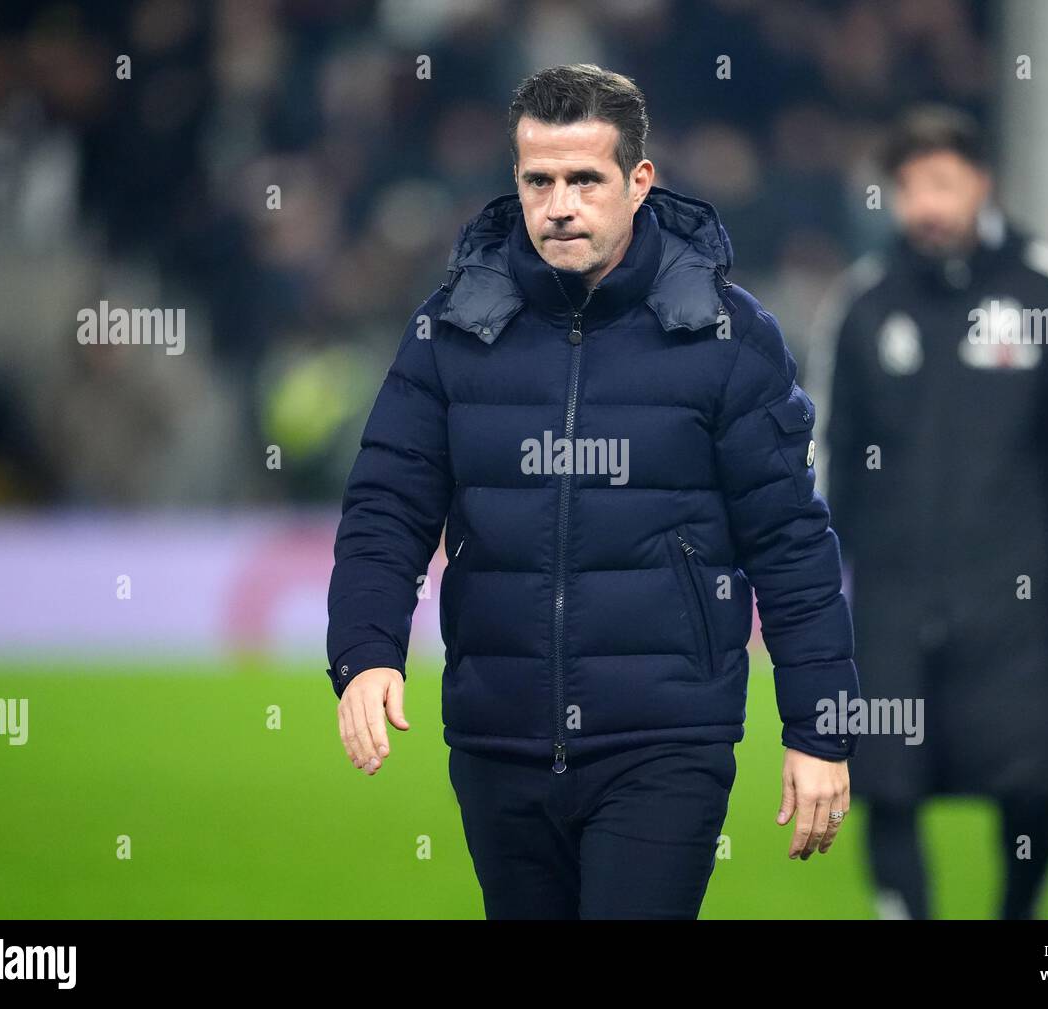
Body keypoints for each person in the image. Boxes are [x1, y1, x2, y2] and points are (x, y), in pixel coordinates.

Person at [325, 64, 860, 919]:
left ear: (639, 181)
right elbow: (387, 505)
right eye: (539, 181)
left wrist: (820, 728)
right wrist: (365, 649)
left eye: (584, 179)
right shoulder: (450, 328)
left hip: (666, 741)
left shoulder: (727, 334)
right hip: (498, 739)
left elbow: (791, 542)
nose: (560, 205)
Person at [805, 105, 1048, 920]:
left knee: (1033, 788)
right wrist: (812, 584)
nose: (925, 205)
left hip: (1015, 599)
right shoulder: (864, 302)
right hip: (895, 599)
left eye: (942, 183)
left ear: (982, 184)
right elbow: (829, 449)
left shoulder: (1046, 290)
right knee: (885, 787)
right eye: (909, 187)